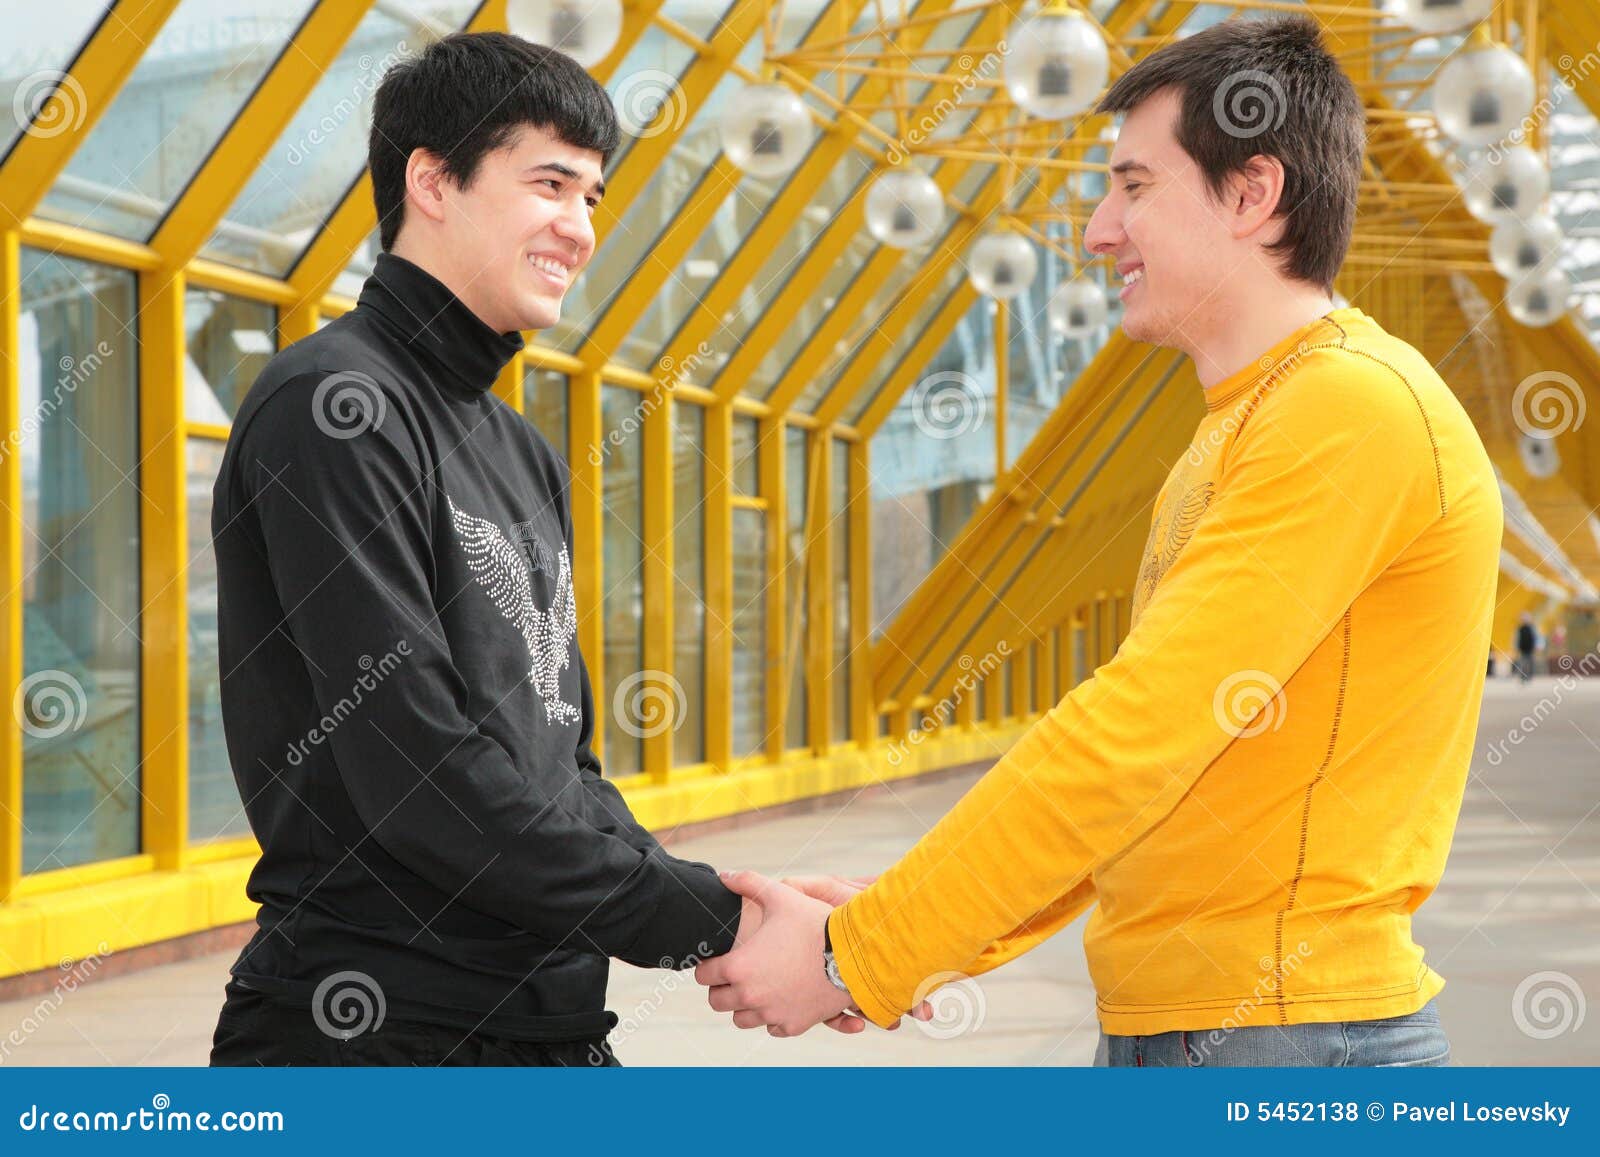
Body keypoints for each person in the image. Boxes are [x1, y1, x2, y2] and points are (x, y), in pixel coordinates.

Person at [697, 15, 1502, 1067]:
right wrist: (901, 930)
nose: (1095, 230)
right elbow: (1157, 786)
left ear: (1252, 194)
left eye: (1132, 185)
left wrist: (863, 950)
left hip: (1287, 1042)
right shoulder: (1246, 423)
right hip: (1212, 1028)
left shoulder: (1349, 408)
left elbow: (1138, 730)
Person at [205, 32, 760, 1067]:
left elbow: (564, 763)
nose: (579, 227)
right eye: (550, 182)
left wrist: (730, 900)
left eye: (593, 196)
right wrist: (711, 922)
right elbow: (416, 768)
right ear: (433, 181)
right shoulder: (333, 409)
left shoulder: (520, 447)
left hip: (547, 1028)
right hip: (377, 1036)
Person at [1514, 612, 1540, 682]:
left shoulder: (1532, 628)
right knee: (1522, 663)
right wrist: (1516, 648)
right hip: (1522, 649)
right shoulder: (1520, 628)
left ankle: (1529, 677)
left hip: (1530, 649)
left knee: (1530, 663)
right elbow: (1517, 638)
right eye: (1523, 619)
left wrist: (1537, 646)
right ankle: (1522, 677)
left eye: (1526, 619)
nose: (1524, 620)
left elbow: (1536, 638)